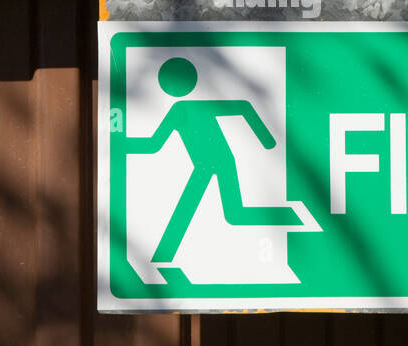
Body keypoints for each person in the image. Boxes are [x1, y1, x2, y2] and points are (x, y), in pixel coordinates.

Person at [127, 56, 300, 263]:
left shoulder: (193, 107)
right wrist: (122, 141)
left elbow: (242, 108)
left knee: (221, 212)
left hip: (219, 162)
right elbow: (154, 144)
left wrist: (267, 140)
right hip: (205, 165)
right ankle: (290, 217)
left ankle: (162, 258)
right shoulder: (178, 111)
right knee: (233, 213)